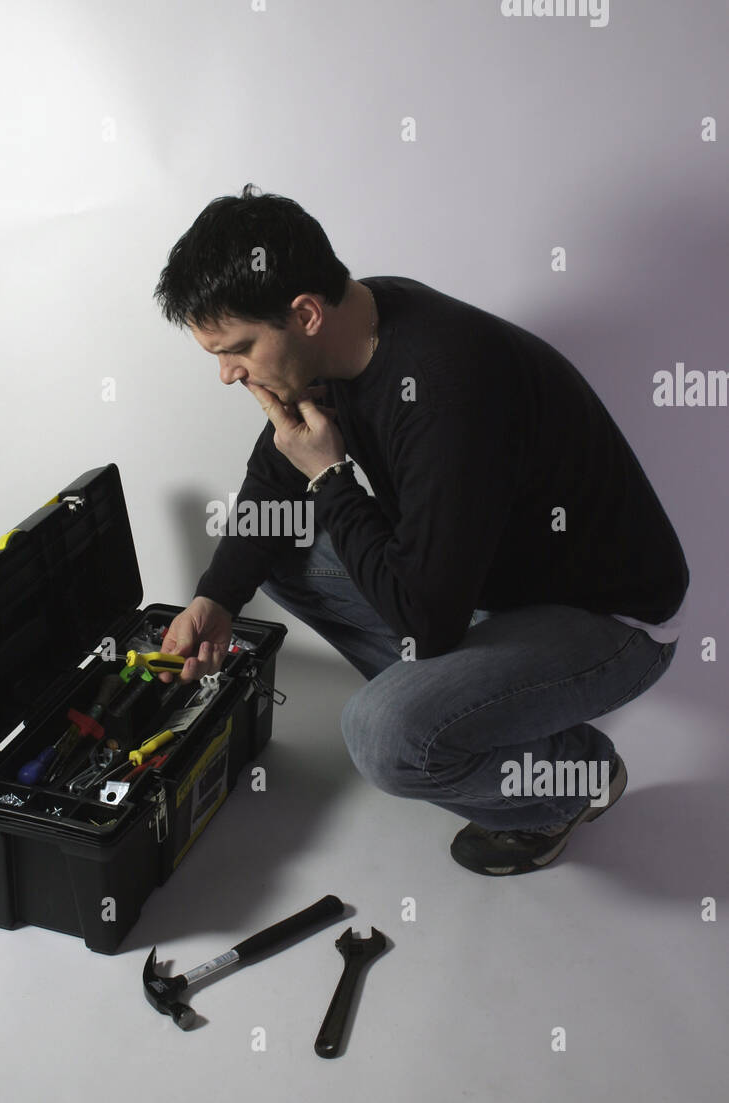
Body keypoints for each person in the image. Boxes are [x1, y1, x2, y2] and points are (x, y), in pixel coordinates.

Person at [150, 183, 689, 876]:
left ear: (304, 314)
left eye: (236, 349)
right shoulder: (347, 328)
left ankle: (573, 780)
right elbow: (279, 470)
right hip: (492, 578)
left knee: (386, 735)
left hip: (611, 621)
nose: (228, 375)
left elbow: (426, 624)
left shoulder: (443, 384)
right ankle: (481, 705)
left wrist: (332, 479)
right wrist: (215, 598)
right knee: (277, 553)